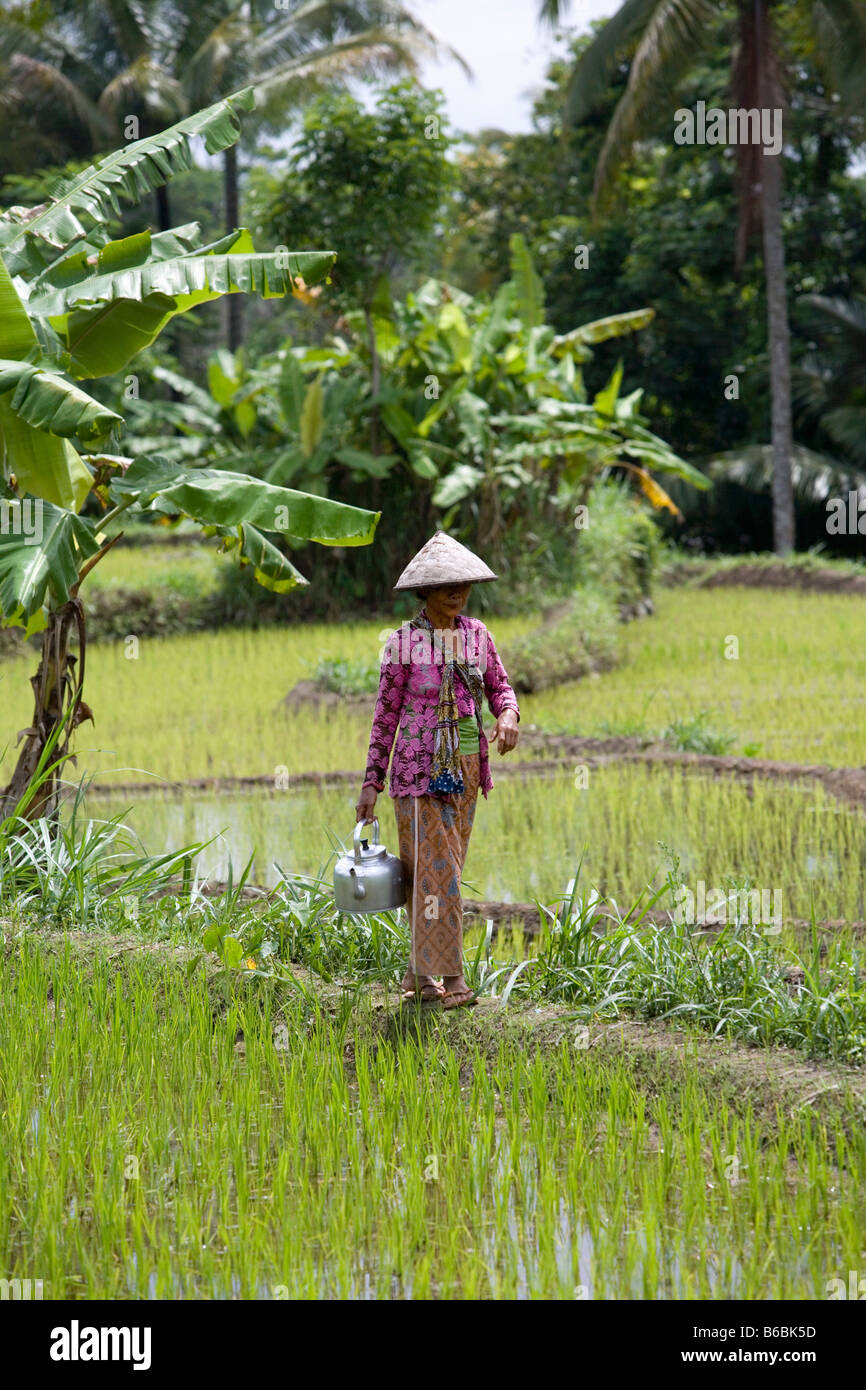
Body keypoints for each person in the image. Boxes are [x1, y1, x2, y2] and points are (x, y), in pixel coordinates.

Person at [355, 532, 520, 1009]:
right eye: (446, 584)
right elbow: (385, 715)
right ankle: (443, 978)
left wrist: (508, 715)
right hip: (417, 771)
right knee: (436, 874)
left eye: (463, 583)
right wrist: (371, 781)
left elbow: (500, 689)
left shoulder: (477, 635)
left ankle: (418, 971)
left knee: (441, 871)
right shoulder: (403, 644)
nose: (457, 591)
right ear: (424, 591)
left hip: (466, 768)